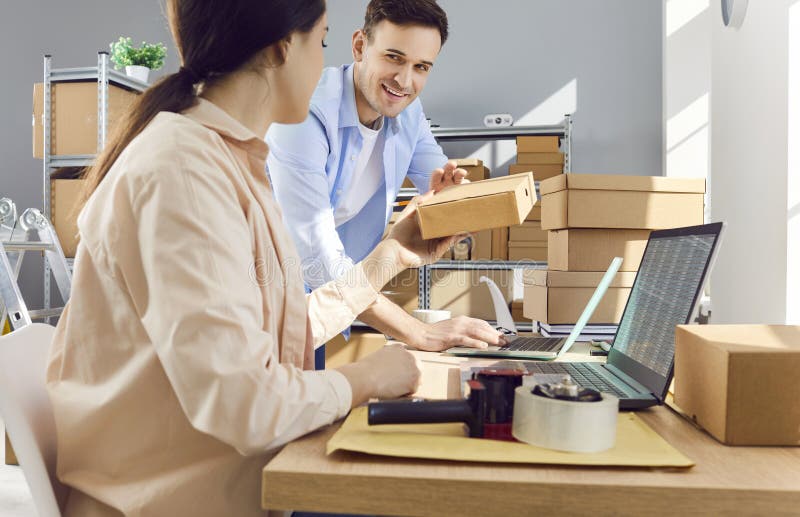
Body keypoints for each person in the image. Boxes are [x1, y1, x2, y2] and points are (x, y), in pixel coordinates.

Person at [45, 1, 464, 515]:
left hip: (234, 482)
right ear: (281, 48)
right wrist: (366, 379)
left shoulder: (230, 162)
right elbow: (244, 403)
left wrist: (391, 256)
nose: (327, 68)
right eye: (323, 42)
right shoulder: (183, 173)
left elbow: (271, 330)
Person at [266, 0, 504, 356]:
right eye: (393, 57)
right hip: (266, 296)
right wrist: (419, 333)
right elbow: (318, 261)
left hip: (331, 300)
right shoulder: (303, 114)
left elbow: (440, 184)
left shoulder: (407, 112)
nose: (405, 81)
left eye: (421, 66)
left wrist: (451, 199)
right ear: (360, 46)